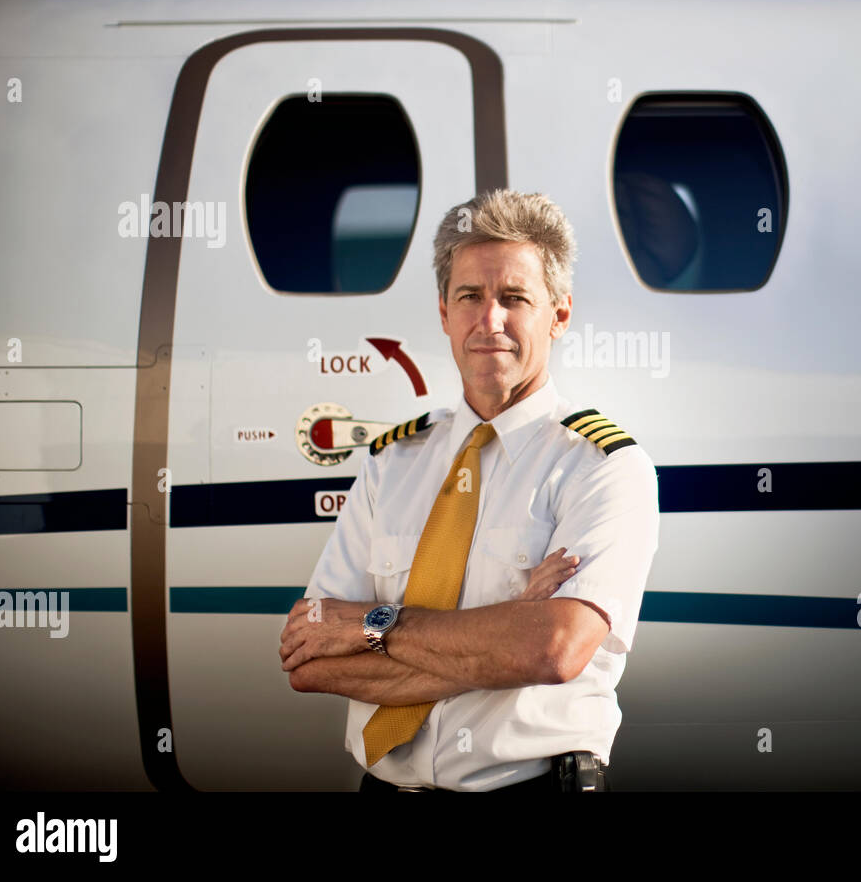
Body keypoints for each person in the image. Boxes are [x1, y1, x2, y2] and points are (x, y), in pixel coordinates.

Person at [279, 189, 660, 792]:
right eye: (470, 297)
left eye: (514, 298)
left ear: (559, 314)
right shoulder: (392, 463)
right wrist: (502, 634)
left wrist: (372, 627)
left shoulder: (603, 468)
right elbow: (312, 656)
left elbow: (554, 650)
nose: (490, 321)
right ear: (443, 313)